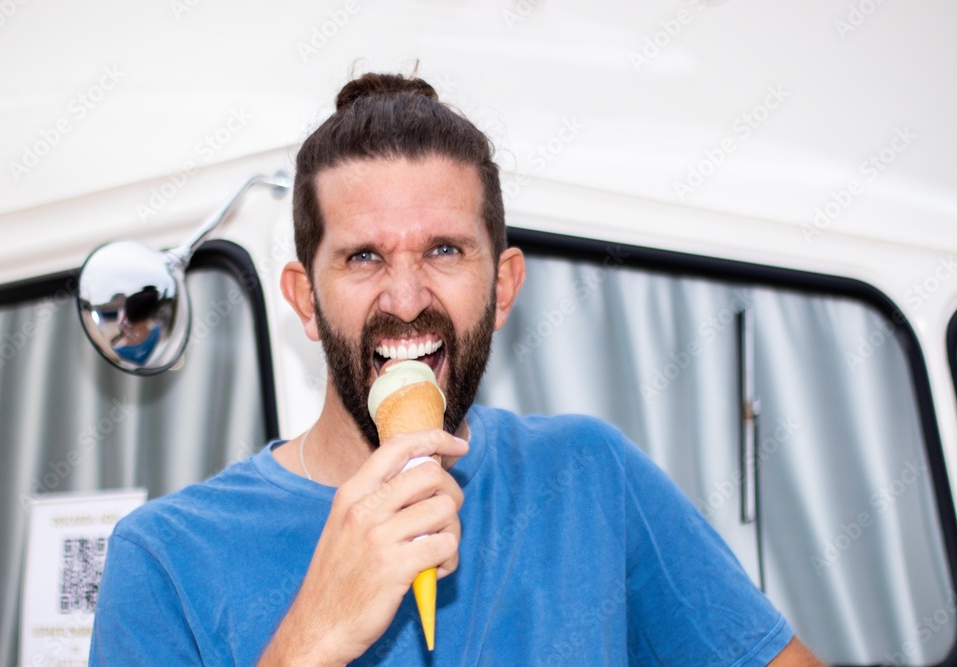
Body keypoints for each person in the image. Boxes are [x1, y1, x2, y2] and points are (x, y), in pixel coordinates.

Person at [90, 72, 824, 666]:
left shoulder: (591, 477)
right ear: (304, 301)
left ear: (502, 286)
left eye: (444, 250)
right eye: (364, 256)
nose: (406, 300)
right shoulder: (163, 558)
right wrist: (311, 638)